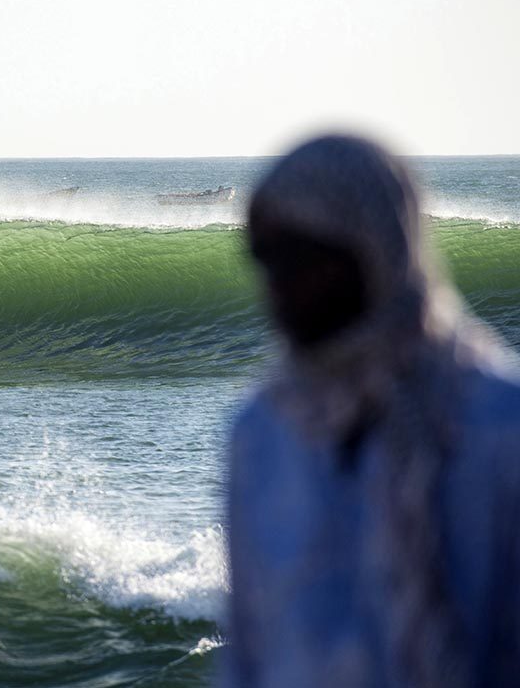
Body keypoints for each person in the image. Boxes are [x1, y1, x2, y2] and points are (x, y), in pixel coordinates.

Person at [223, 135, 520, 688]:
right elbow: (246, 657)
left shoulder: (499, 425)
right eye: (263, 258)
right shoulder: (262, 432)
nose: (277, 286)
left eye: (300, 258)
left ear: (372, 245)